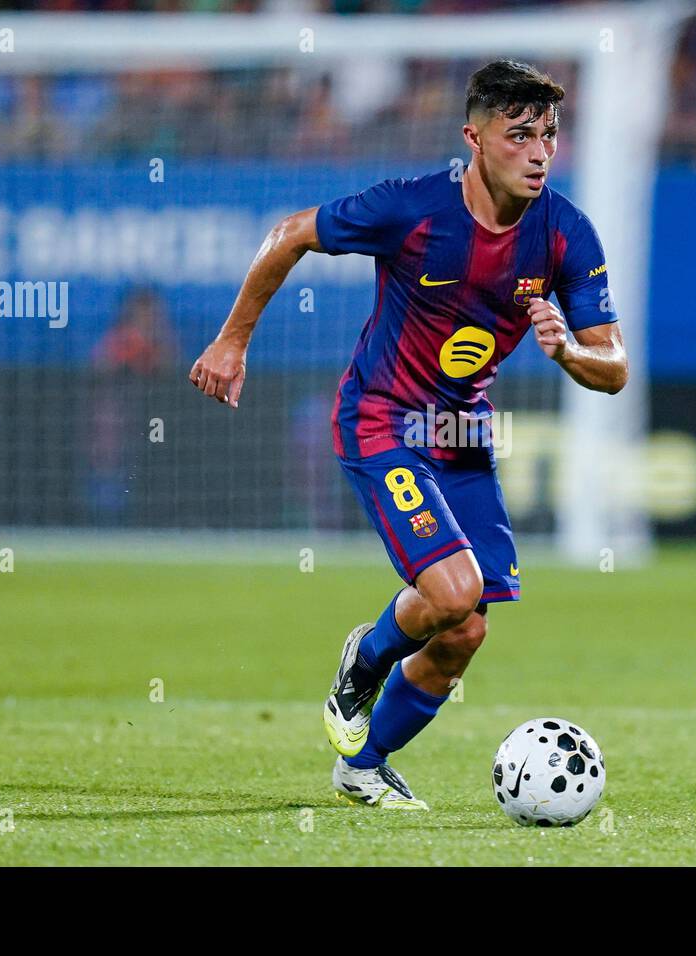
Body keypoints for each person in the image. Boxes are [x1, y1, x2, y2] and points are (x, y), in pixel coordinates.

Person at [188, 60, 626, 809]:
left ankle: (363, 763)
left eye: (549, 135)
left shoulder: (565, 232)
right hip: (382, 420)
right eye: (519, 135)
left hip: (460, 436)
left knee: (464, 632)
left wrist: (568, 351)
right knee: (453, 591)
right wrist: (233, 341)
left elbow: (613, 367)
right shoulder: (413, 209)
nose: (539, 152)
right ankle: (367, 656)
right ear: (475, 139)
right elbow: (290, 233)